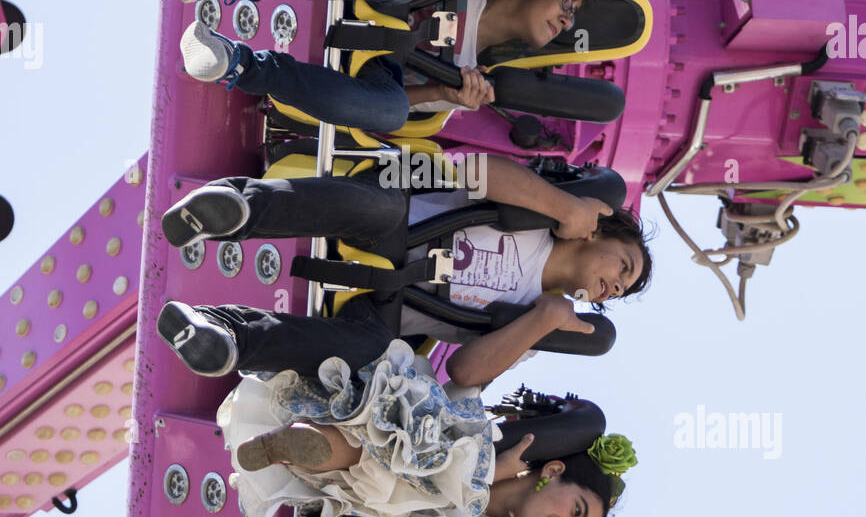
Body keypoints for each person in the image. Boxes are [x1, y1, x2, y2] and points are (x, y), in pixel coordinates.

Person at [218, 338, 637, 517]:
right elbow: (465, 379)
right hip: (380, 480)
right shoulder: (481, 449)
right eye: (576, 511)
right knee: (396, 453)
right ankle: (296, 444)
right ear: (554, 471)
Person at [157, 153, 652, 385]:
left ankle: (225, 335)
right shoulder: (542, 215)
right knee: (379, 208)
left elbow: (462, 370)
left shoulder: (533, 323)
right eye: (623, 266)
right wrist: (566, 208)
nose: (613, 287)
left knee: (371, 352)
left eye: (618, 292)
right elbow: (475, 170)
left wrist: (543, 320)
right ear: (600, 230)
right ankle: (236, 209)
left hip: (387, 306)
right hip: (395, 221)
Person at [177, 0, 588, 132]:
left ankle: (238, 65)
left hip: (376, 62)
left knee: (392, 112)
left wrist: (443, 90)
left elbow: (404, 101)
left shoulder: (472, 77)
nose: (567, 21)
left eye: (572, 21)